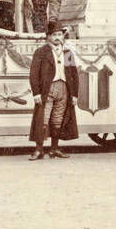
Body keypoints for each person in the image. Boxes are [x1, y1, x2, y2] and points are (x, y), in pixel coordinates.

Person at [29, 21, 79, 160]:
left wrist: (74, 94)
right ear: (49, 37)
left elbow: (74, 75)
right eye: (54, 35)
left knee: (58, 119)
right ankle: (39, 150)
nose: (57, 37)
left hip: (64, 88)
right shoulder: (41, 52)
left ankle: (54, 149)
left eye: (59, 34)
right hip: (47, 89)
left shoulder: (68, 53)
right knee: (43, 119)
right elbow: (34, 74)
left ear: (63, 36)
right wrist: (36, 93)